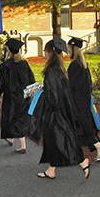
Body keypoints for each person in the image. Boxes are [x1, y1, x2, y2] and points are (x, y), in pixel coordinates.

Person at [31, 37, 89, 179]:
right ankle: (51, 169)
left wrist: (42, 97)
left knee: (62, 139)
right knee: (53, 140)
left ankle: (82, 161)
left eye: (45, 50)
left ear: (51, 52)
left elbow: (54, 95)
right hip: (61, 109)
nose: (44, 53)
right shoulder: (59, 69)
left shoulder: (52, 71)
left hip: (55, 112)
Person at [67, 37, 100, 162]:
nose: (68, 50)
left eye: (69, 48)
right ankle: (92, 148)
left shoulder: (74, 66)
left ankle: (98, 146)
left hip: (77, 102)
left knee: (81, 128)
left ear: (74, 49)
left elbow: (71, 86)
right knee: (82, 128)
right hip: (83, 101)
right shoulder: (83, 64)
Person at [0, 38, 35, 153]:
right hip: (23, 95)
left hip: (11, 96)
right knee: (19, 117)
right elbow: (31, 79)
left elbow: (0, 82)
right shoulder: (24, 64)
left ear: (9, 51)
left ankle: (22, 146)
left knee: (12, 118)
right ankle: (10, 138)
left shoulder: (5, 66)